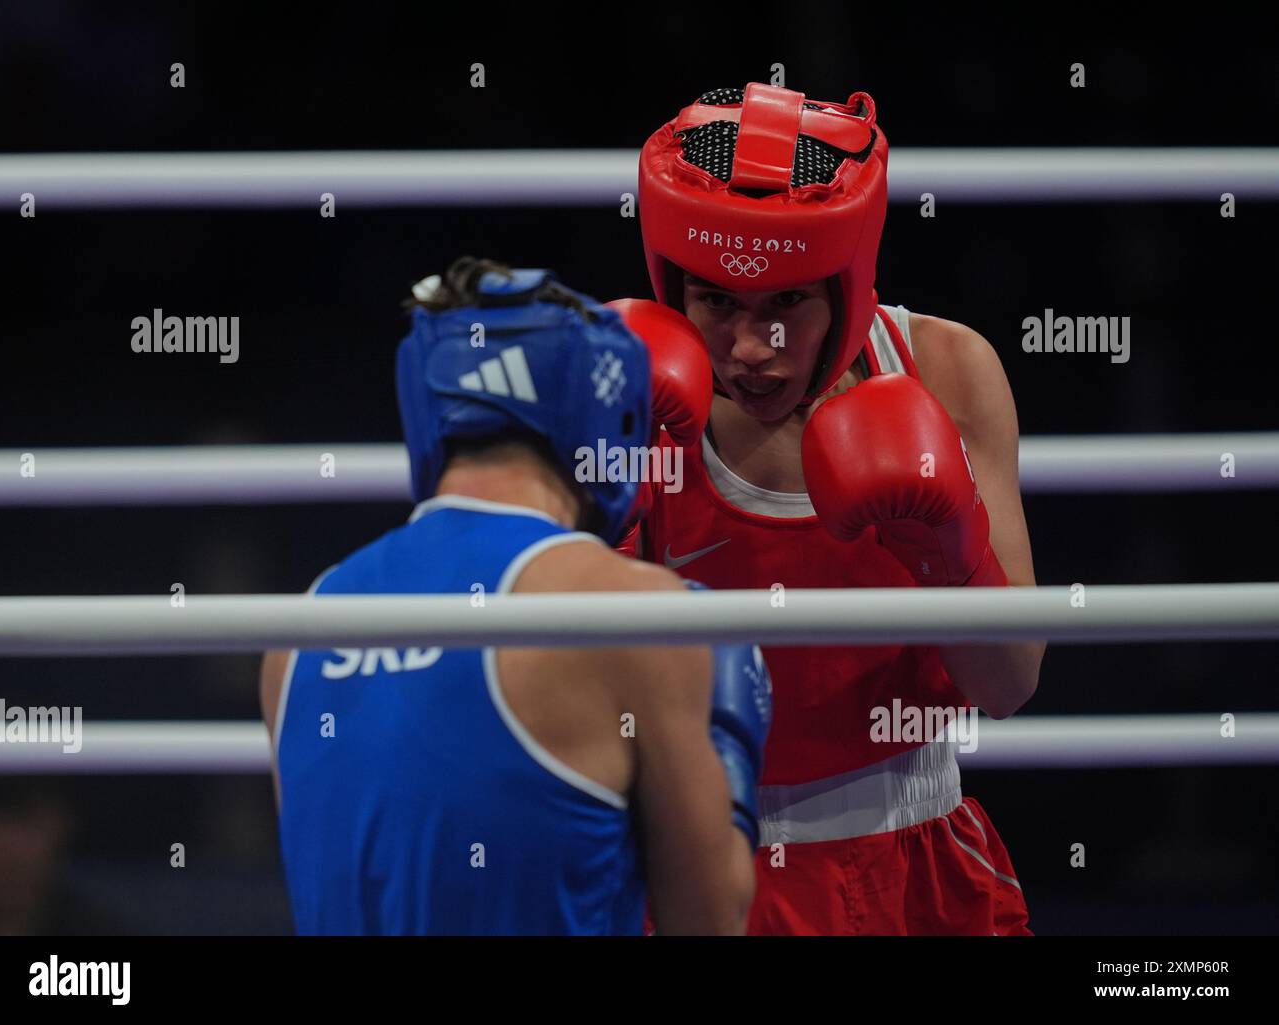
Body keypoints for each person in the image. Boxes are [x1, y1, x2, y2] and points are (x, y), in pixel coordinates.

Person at [614, 84, 1044, 935]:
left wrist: (944, 550)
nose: (747, 348)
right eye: (716, 302)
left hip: (908, 858)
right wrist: (610, 512)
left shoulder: (946, 370)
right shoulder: (615, 384)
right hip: (696, 875)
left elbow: (1010, 683)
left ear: (845, 287)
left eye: (786, 304)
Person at [258, 258, 771, 935]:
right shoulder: (626, 611)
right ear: (605, 414)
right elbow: (708, 919)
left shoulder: (299, 636)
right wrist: (730, 741)